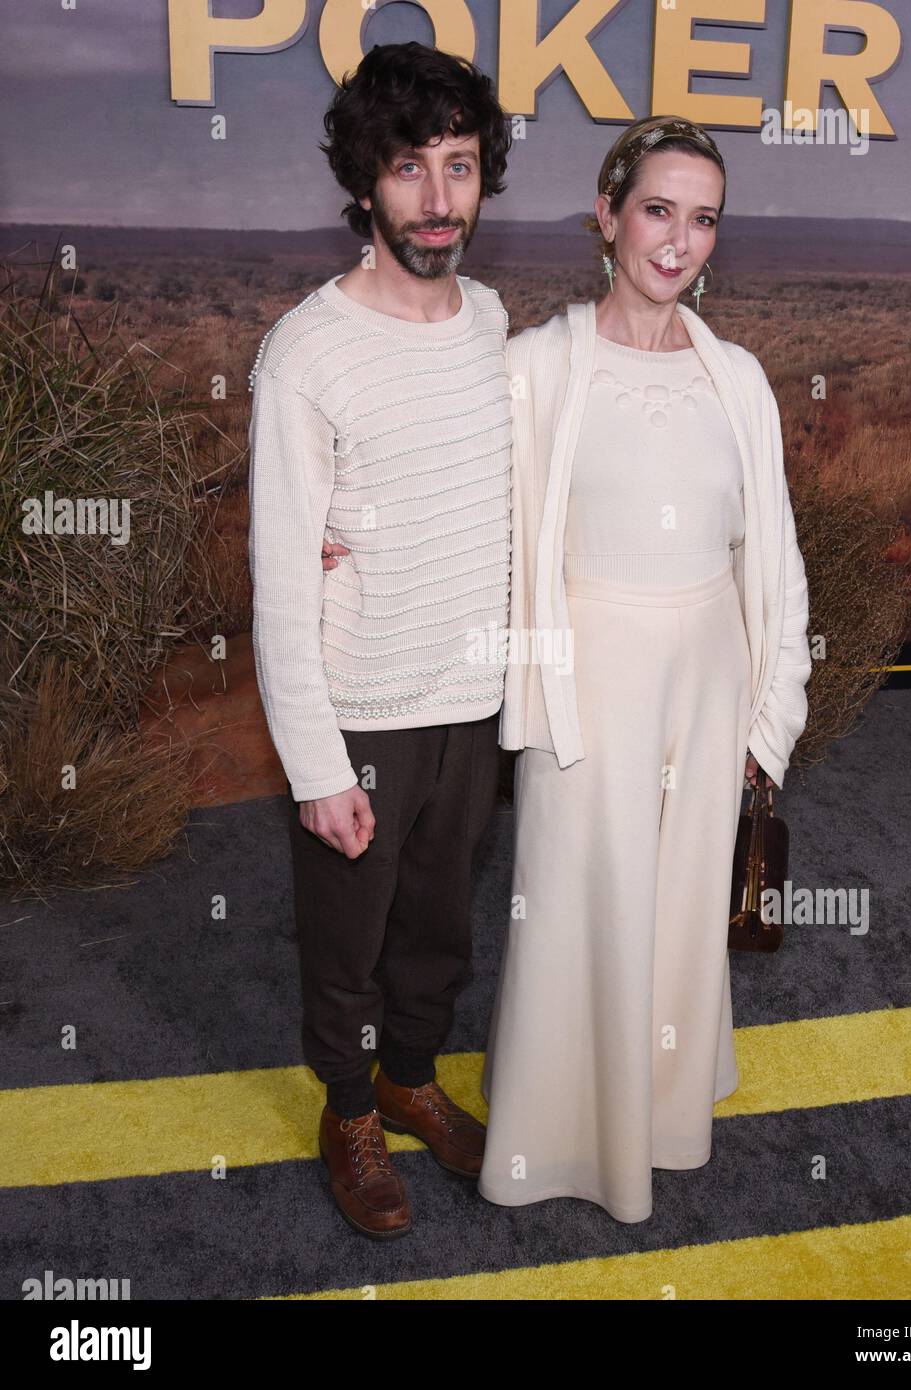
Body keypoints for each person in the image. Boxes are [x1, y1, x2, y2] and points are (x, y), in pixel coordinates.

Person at [478, 117, 813, 1223]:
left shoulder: (741, 380)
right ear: (607, 214)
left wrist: (769, 719)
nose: (677, 240)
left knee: (677, 913)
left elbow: (772, 551)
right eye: (657, 209)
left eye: (702, 217)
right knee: (578, 909)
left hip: (708, 676)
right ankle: (566, 1143)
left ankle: (662, 1118)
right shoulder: (535, 366)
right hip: (589, 680)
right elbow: (469, 513)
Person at [247, 41, 513, 1240]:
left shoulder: (493, 321)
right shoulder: (306, 351)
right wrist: (313, 764)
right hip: (358, 709)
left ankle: (412, 1078)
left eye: (459, 166)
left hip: (474, 702)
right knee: (347, 943)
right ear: (365, 183)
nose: (439, 199)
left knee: (439, 927)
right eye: (410, 168)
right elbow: (277, 576)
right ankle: (349, 1111)